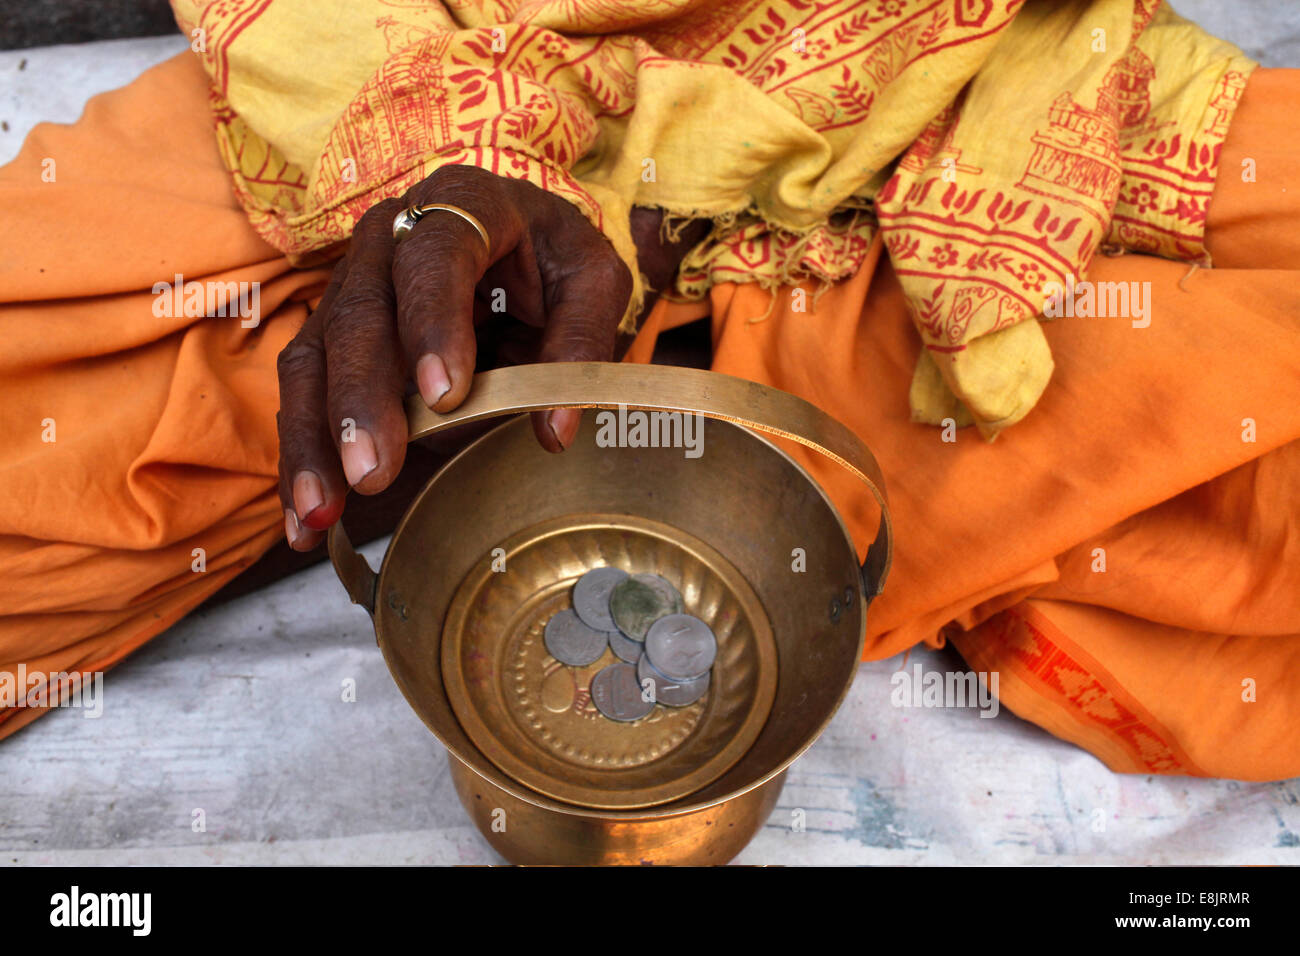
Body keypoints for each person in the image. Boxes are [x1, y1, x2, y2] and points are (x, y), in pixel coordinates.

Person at [1, 0, 1297, 780]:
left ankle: (660, 372)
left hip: (946, 100)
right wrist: (451, 155)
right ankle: (514, 383)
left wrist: (671, 231)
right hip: (438, 63)